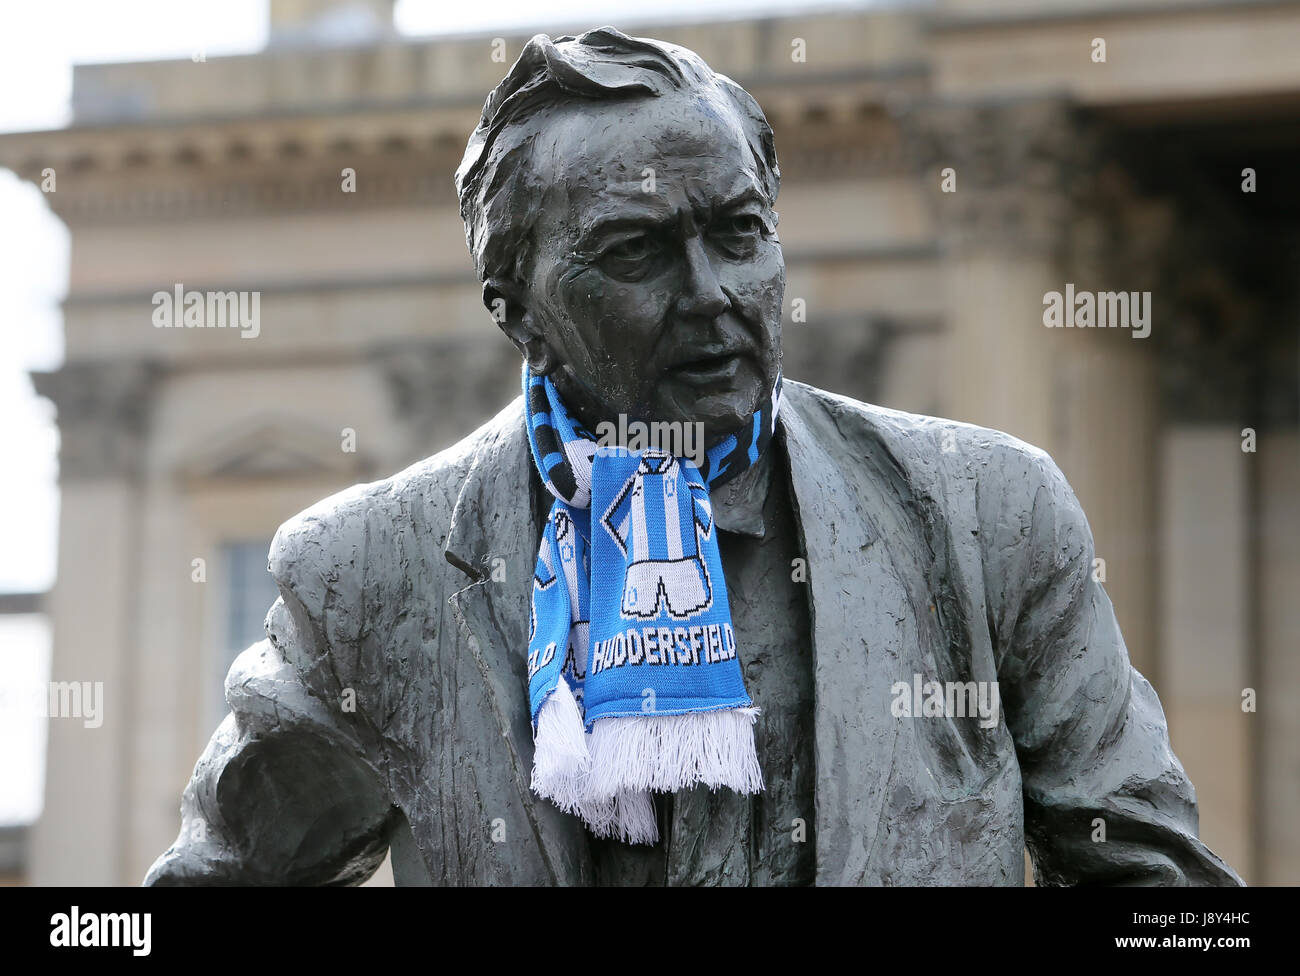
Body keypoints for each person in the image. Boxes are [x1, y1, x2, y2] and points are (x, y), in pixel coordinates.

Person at [146, 27, 1242, 886]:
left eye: (738, 231)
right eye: (634, 252)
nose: (712, 294)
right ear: (515, 308)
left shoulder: (988, 514)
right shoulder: (369, 576)